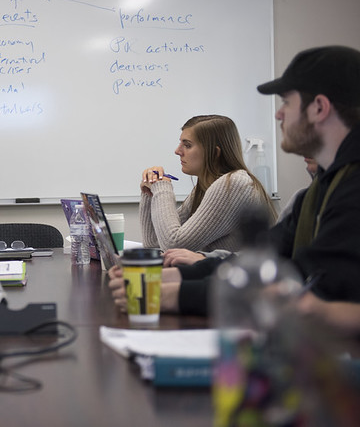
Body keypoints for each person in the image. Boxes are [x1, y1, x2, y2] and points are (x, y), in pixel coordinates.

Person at [109, 45, 360, 319]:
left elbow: (304, 287)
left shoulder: (351, 189)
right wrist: (160, 278)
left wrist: (164, 292)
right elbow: (260, 263)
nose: (278, 114)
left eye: (286, 102)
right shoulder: (322, 187)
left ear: (319, 108)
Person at [139, 114, 276, 267]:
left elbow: (173, 245)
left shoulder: (234, 183)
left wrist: (162, 188)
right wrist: (149, 194)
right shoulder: (206, 185)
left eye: (188, 145)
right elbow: (153, 244)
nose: (177, 151)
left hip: (239, 286)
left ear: (215, 153)